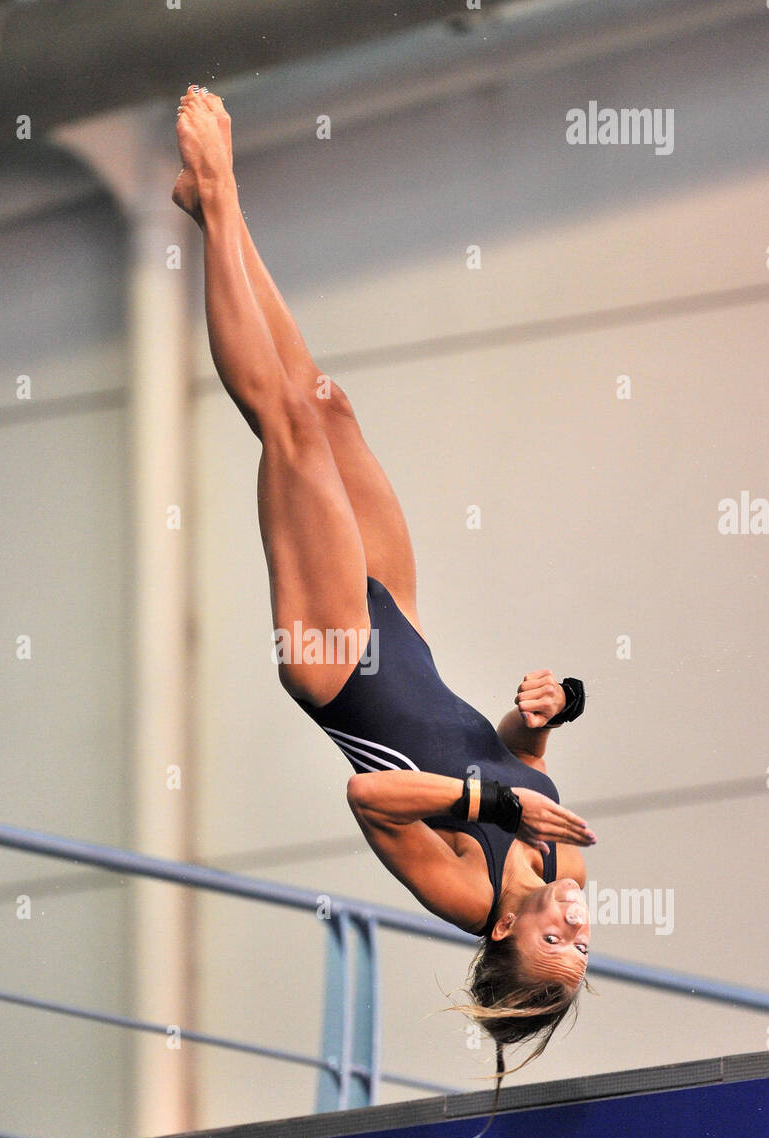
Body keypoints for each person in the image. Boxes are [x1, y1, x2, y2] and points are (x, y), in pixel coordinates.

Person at [173, 85, 596, 1082]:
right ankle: (209, 211)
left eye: (557, 949)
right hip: (401, 633)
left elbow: (373, 795)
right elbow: (503, 760)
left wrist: (491, 798)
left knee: (286, 427)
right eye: (582, 950)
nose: (576, 928)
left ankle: (222, 193)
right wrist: (540, 715)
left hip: (340, 666)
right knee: (327, 406)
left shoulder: (470, 897)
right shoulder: (564, 863)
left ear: (507, 946)